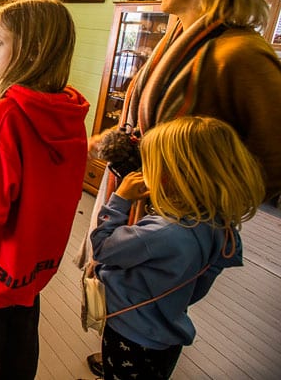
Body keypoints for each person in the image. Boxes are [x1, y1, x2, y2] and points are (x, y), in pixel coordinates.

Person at [79, 0, 281, 376]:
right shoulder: (176, 38)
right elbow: (144, 122)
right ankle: (123, 345)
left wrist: (205, 196)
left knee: (148, 284)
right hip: (142, 191)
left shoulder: (240, 55)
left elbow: (272, 159)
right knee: (125, 280)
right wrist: (111, 146)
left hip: (173, 211)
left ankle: (136, 352)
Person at [0, 0, 90, 379]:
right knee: (18, 360)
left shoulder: (5, 116)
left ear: (32, 51)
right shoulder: (68, 114)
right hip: (30, 273)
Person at [90, 116, 265, 379]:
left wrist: (120, 200)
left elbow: (102, 247)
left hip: (130, 334)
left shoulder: (160, 232)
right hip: (166, 335)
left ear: (173, 174)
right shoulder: (220, 228)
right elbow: (198, 287)